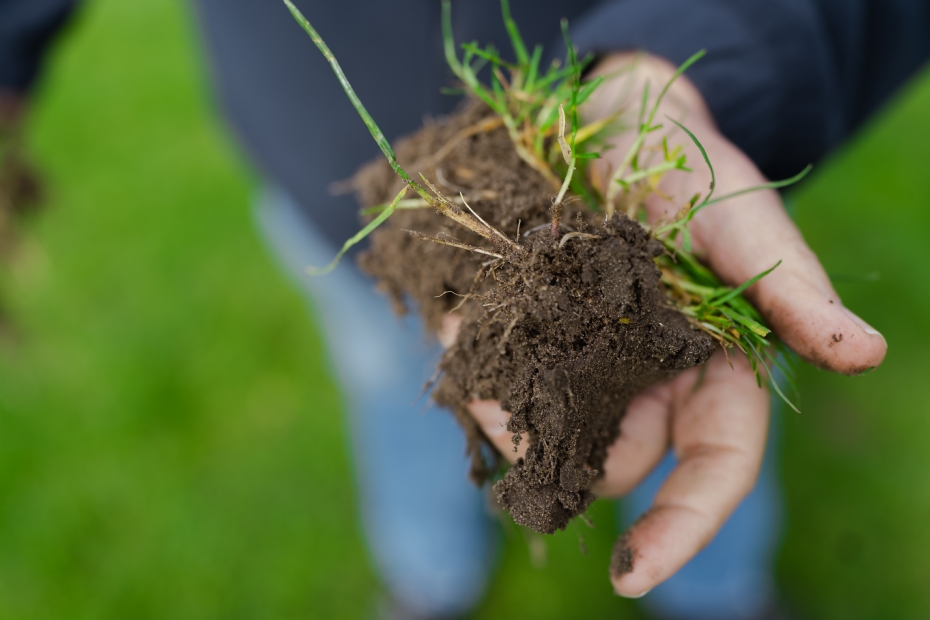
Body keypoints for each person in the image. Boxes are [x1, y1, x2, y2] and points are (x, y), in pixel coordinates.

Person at [4, 1, 927, 618]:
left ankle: (722, 591)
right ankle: (429, 576)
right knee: (393, 389)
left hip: (652, 166)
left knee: (700, 389)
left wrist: (698, 49)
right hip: (337, 196)